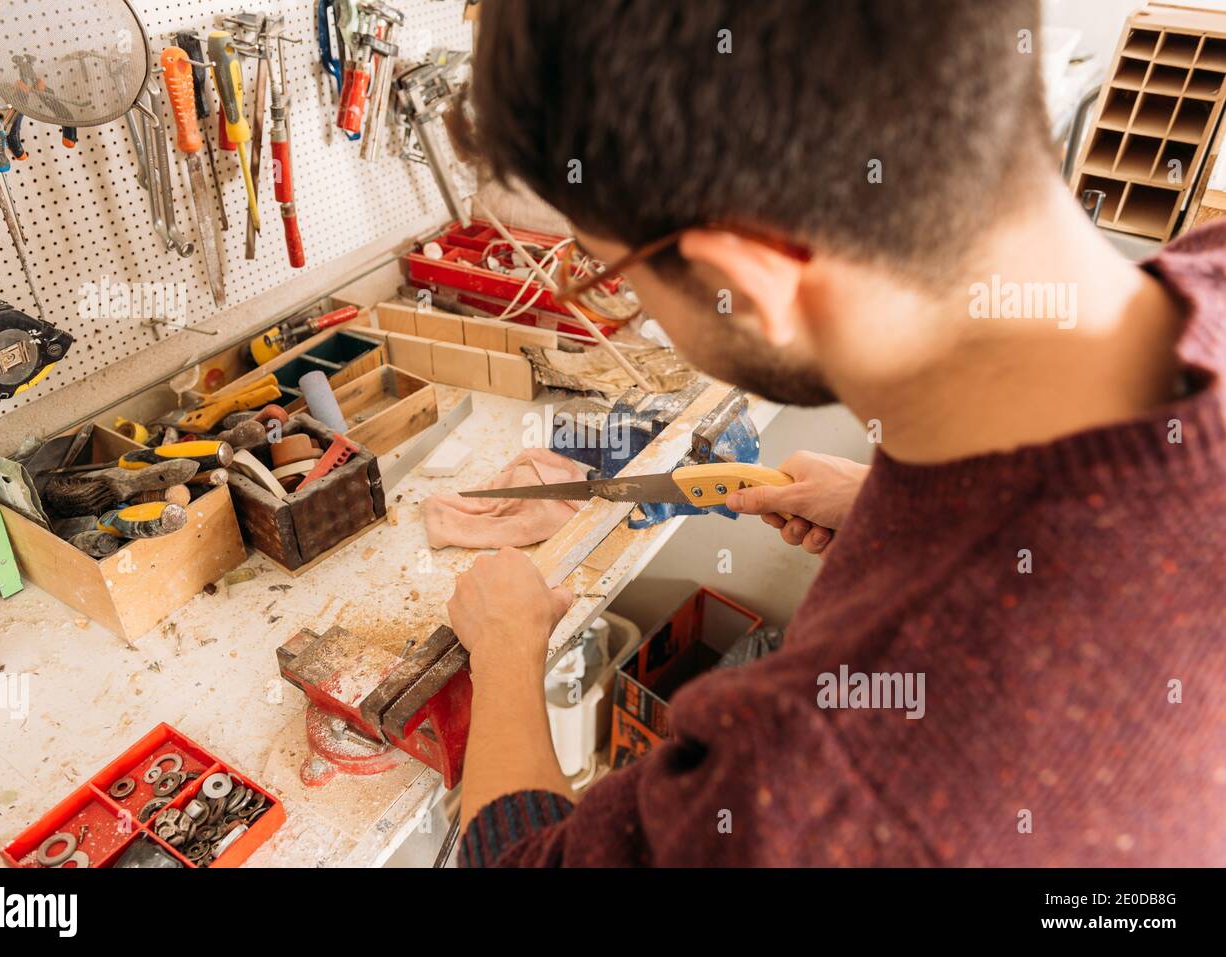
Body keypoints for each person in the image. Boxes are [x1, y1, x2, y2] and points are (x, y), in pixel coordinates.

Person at [445, 0, 1226, 866]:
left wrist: (509, 651)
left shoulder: (834, 780)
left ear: (749, 279)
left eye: (614, 279)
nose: (618, 301)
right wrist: (893, 511)